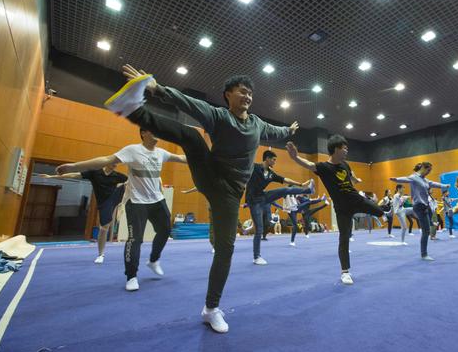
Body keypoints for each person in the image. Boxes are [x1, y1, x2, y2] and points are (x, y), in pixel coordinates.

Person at [105, 65, 298, 333]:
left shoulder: (257, 124)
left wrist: (289, 129)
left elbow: (276, 132)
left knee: (226, 249)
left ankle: (210, 309)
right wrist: (158, 89)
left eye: (251, 93)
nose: (248, 97)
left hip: (230, 193)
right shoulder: (218, 116)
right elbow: (191, 104)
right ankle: (133, 110)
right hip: (210, 175)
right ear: (228, 95)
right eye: (242, 92)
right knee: (191, 136)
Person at [56, 129, 186, 291]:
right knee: (135, 239)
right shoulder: (132, 150)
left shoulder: (162, 153)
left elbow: (181, 158)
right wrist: (74, 167)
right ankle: (131, 276)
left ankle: (153, 260)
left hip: (157, 201)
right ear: (144, 133)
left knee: (165, 230)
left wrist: (206, 159)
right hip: (136, 202)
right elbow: (105, 159)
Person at [286, 135, 387, 285]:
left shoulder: (345, 165)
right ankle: (345, 272)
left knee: (374, 206)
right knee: (344, 238)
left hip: (355, 199)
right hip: (342, 208)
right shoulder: (324, 167)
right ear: (335, 149)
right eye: (344, 148)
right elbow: (308, 164)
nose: (347, 150)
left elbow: (351, 177)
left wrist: (356, 180)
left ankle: (385, 214)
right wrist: (295, 157)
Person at [40, 164, 128, 263]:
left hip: (115, 196)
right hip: (104, 202)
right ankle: (101, 254)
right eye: (113, 163)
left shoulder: (117, 175)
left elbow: (133, 180)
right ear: (106, 163)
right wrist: (53, 177)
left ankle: (124, 203)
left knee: (128, 183)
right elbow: (74, 175)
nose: (114, 166)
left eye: (115, 164)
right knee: (104, 228)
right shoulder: (94, 173)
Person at [245, 149, 314, 264]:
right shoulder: (254, 167)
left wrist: (301, 184)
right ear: (267, 159)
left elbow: (284, 179)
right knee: (259, 230)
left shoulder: (271, 174)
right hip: (254, 201)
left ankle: (308, 190)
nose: (275, 162)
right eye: (274, 160)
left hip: (263, 196)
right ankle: (256, 257)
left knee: (285, 190)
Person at [390, 162, 449, 261]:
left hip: (425, 205)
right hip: (418, 206)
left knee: (428, 227)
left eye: (430, 171)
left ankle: (431, 223)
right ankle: (424, 254)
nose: (429, 172)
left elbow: (433, 184)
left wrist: (444, 185)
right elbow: (405, 179)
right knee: (426, 231)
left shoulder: (425, 180)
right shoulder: (414, 177)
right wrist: (396, 179)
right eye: (428, 170)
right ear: (422, 168)